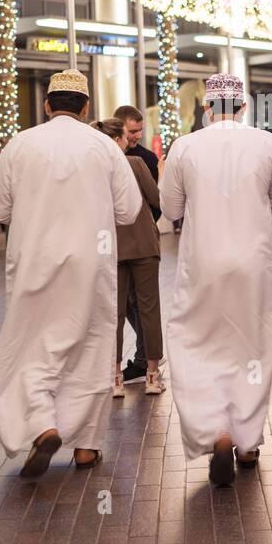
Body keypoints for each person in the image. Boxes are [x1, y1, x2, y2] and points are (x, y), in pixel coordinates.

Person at [0, 69, 141, 477]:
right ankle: (86, 448)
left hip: (33, 263)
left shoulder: (20, 144)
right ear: (86, 107)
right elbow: (130, 209)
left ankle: (43, 426)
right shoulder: (105, 147)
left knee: (31, 348)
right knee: (90, 347)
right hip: (91, 264)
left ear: (47, 105)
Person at [159, 74, 272, 486]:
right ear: (244, 107)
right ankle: (247, 441)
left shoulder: (184, 146)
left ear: (205, 109)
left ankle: (216, 431)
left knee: (197, 346)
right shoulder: (266, 143)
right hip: (254, 266)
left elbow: (170, 207)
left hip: (202, 265)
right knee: (252, 350)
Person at [92, 118, 165, 398]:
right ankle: (151, 375)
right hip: (144, 245)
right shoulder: (135, 164)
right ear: (121, 140)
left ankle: (116, 378)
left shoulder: (95, 169)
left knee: (115, 314)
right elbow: (157, 200)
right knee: (149, 308)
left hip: (111, 247)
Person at [112, 104, 158, 385]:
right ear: (119, 131)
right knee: (136, 307)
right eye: (131, 131)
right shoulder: (139, 163)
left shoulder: (146, 158)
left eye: (140, 131)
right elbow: (158, 199)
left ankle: (128, 367)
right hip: (135, 244)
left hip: (121, 244)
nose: (136, 136)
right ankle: (148, 365)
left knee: (134, 307)